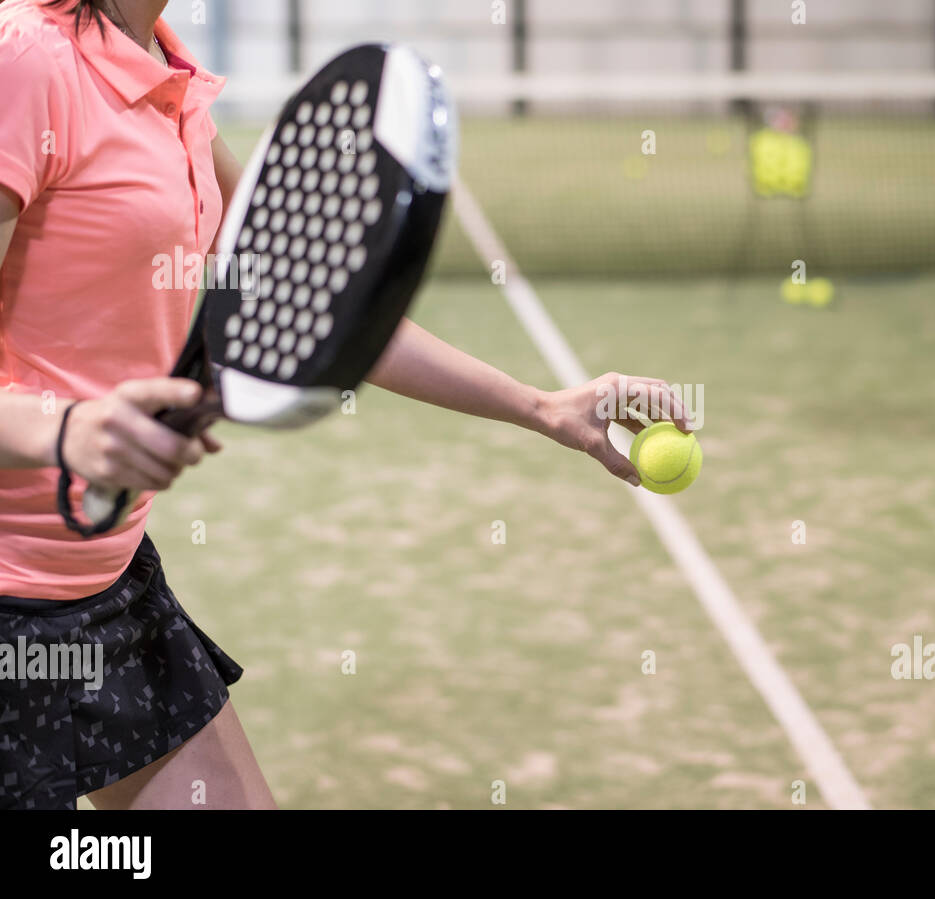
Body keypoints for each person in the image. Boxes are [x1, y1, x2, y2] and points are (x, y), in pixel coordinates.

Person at [0, 0, 688, 809]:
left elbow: (323, 311)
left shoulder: (167, 79)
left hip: (102, 582)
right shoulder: (27, 61)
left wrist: (544, 408)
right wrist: (71, 431)